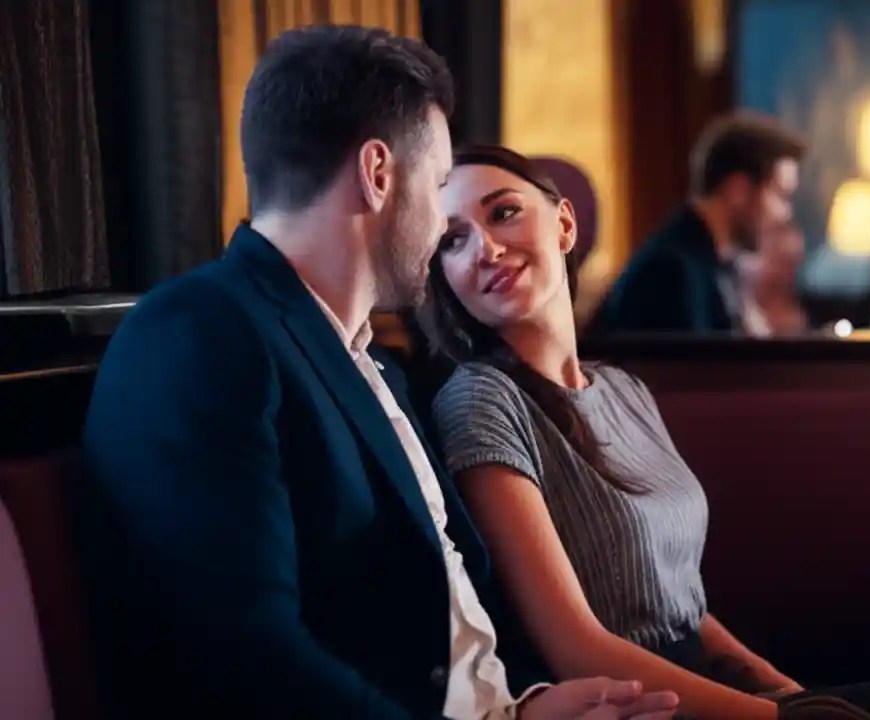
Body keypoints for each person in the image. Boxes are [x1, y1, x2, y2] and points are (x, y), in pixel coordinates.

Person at [76, 26, 677, 720]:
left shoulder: (376, 366)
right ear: (379, 173)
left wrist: (530, 704)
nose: (442, 220)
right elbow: (246, 657)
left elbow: (444, 614)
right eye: (440, 183)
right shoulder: (198, 332)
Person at [418, 144, 870, 720]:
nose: (484, 248)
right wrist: (779, 718)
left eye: (503, 213)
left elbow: (684, 611)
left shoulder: (623, 390)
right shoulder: (481, 399)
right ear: (443, 274)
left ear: (563, 225)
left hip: (723, 694)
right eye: (452, 240)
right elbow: (575, 648)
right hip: (649, 708)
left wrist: (785, 690)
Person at [590, 113, 806, 335]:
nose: (785, 214)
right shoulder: (671, 271)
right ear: (738, 190)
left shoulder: (716, 267)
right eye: (781, 195)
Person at [738, 222, 810, 337]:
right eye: (780, 262)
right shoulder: (737, 282)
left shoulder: (794, 317)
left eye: (791, 265)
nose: (785, 273)